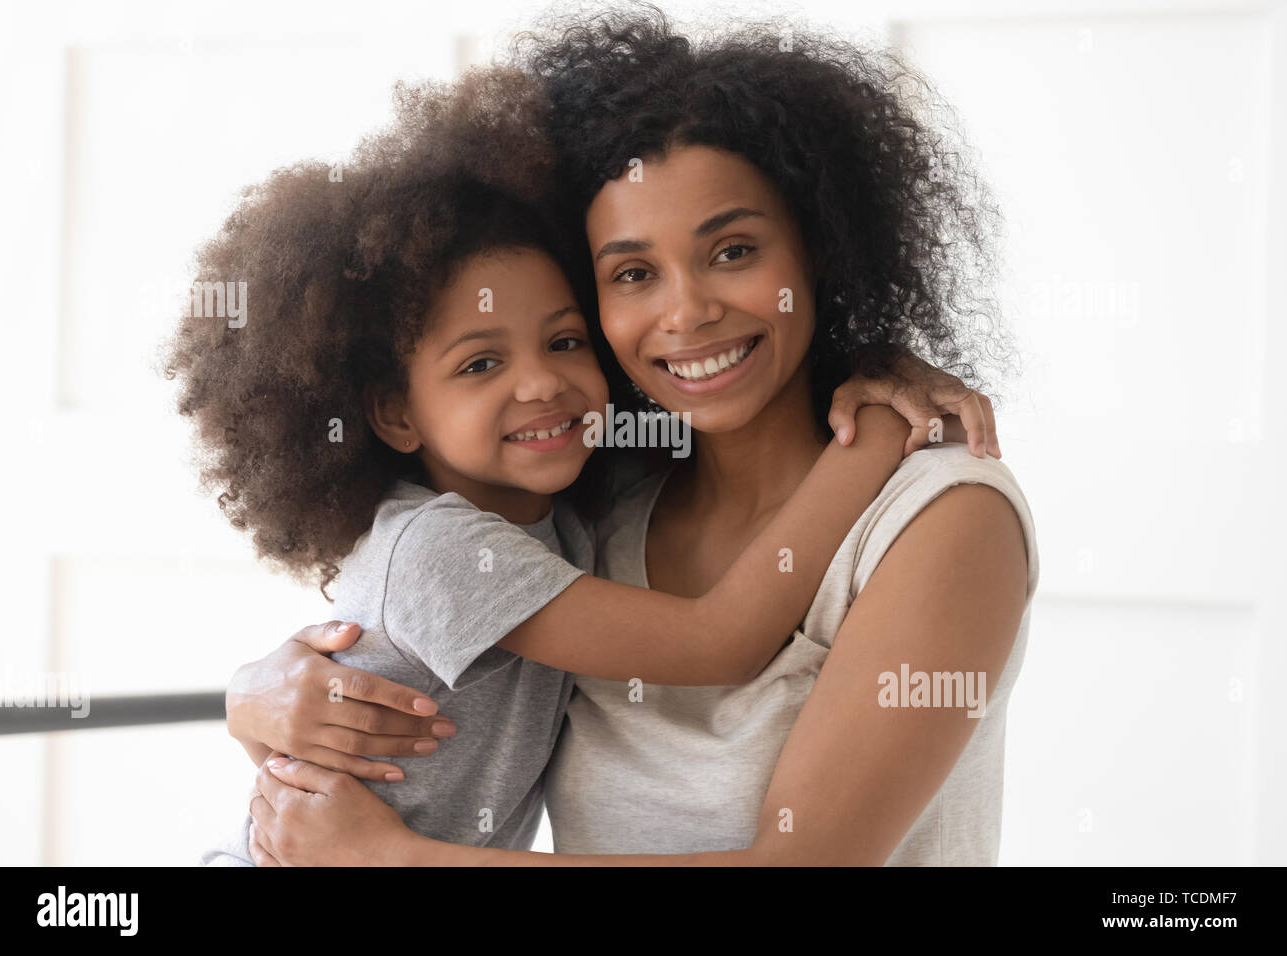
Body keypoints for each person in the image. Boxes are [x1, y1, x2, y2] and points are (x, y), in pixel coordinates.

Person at [232, 5, 1036, 865]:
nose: (686, 311)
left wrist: (396, 860)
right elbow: (413, 627)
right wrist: (251, 697)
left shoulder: (944, 520)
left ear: (822, 253)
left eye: (733, 251)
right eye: (633, 273)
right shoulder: (599, 504)